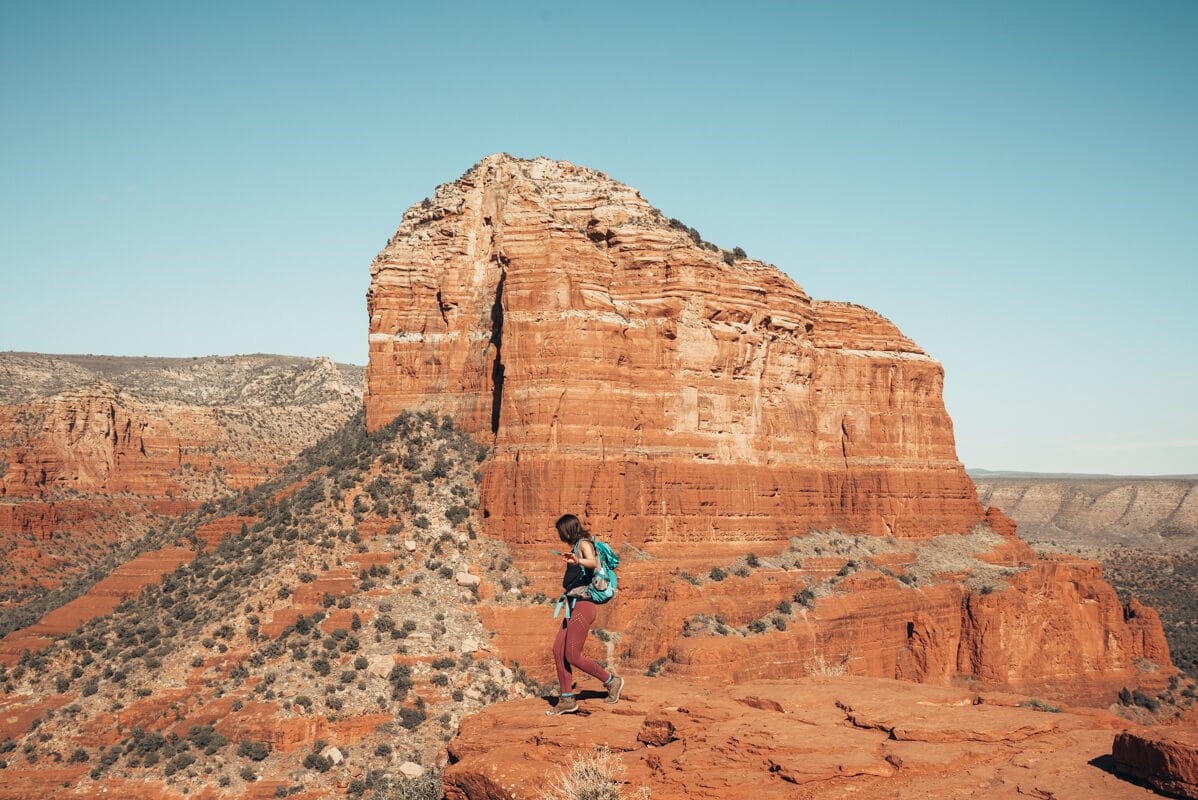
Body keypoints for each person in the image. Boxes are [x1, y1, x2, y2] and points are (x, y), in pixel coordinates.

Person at [547, 513, 624, 714]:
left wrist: (578, 561)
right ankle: (567, 700)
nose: (559, 535)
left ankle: (611, 681)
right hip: (573, 605)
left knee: (572, 654)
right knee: (558, 650)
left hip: (583, 606)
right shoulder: (576, 547)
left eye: (560, 531)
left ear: (567, 529)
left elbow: (592, 562)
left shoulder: (584, 544)